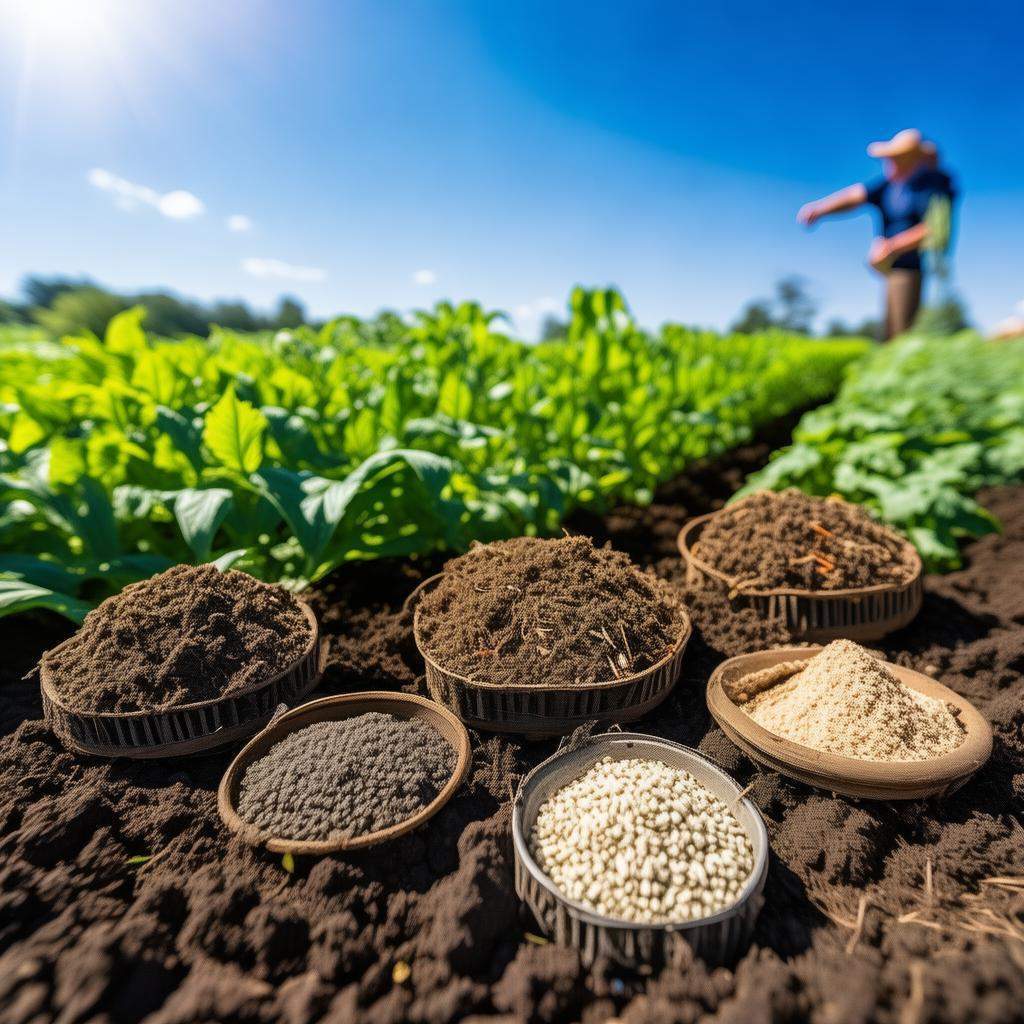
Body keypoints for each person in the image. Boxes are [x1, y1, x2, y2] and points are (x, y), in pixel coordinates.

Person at [797, 129, 957, 339]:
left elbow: (934, 229)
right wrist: (820, 209)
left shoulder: (931, 186)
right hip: (890, 269)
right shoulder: (889, 186)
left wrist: (891, 247)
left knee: (903, 337)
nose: (889, 162)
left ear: (913, 160)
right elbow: (855, 196)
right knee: (890, 335)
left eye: (896, 158)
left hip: (914, 268)